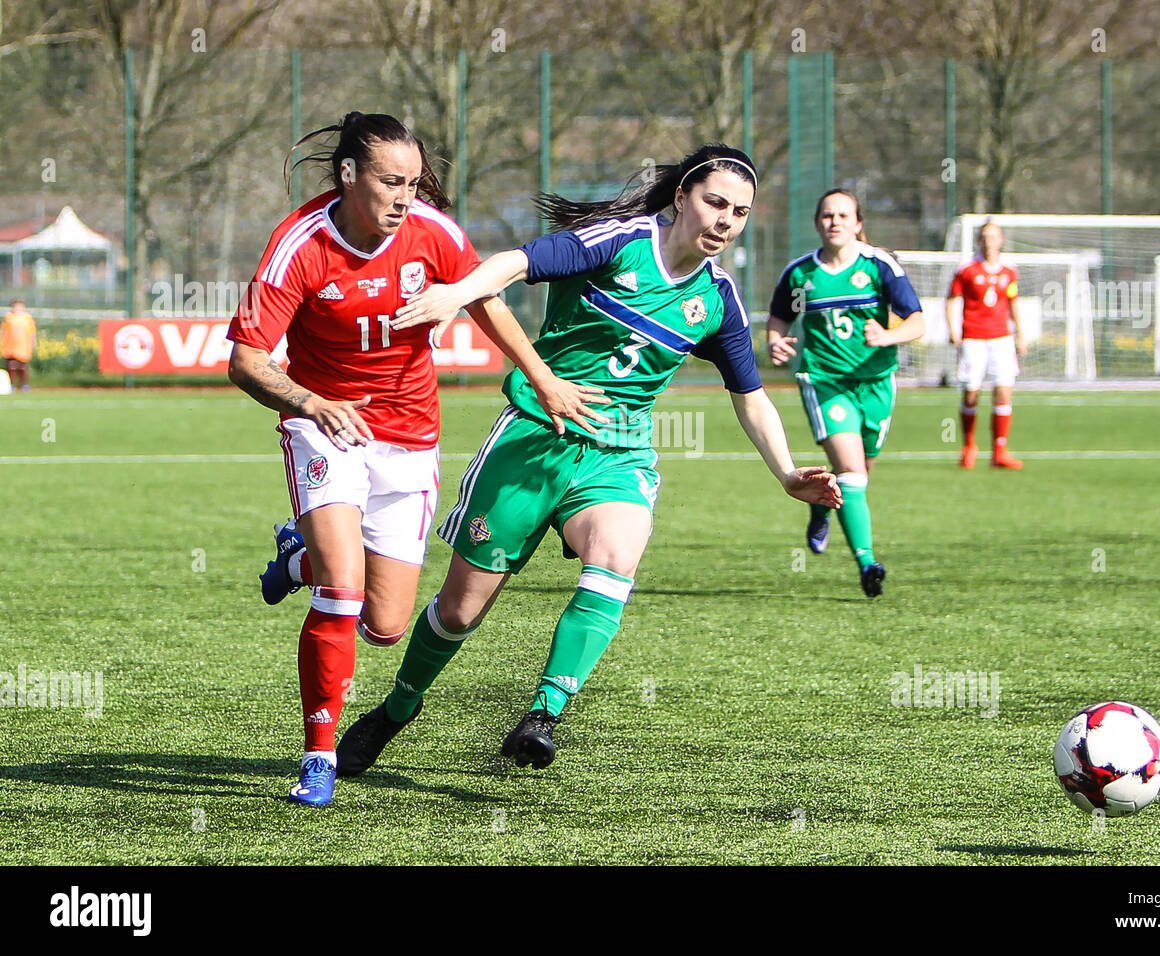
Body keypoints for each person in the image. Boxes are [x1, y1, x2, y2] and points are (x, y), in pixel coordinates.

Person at [336, 143, 842, 776]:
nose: (724, 221)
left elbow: (753, 398)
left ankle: (544, 714)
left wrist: (789, 473)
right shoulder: (619, 240)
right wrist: (454, 296)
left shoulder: (717, 301)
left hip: (618, 453)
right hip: (533, 437)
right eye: (714, 202)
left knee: (615, 558)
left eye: (739, 213)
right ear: (682, 197)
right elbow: (514, 263)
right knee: (460, 610)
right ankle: (399, 707)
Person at [225, 111, 603, 807]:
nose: (405, 196)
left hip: (408, 435)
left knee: (386, 624)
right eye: (390, 182)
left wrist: (542, 377)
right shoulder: (300, 243)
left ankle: (296, 554)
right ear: (348, 175)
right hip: (325, 429)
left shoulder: (433, 233)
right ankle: (317, 756)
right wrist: (308, 402)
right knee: (340, 592)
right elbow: (246, 361)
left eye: (414, 182)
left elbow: (484, 301)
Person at [766, 189, 925, 598]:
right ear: (818, 223)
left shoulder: (878, 266)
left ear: (857, 223)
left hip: (876, 384)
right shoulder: (800, 274)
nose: (834, 221)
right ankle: (868, 563)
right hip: (825, 383)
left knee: (858, 475)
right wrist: (776, 341)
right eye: (826, 215)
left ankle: (820, 504)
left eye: (843, 215)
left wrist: (888, 335)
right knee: (853, 474)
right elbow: (781, 317)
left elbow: (917, 322)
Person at [946, 219, 1027, 469]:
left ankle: (999, 451)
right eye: (985, 237)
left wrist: (1020, 334)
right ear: (979, 240)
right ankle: (969, 446)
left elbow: (1013, 302)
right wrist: (952, 330)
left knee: (1003, 391)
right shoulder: (967, 270)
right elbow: (951, 300)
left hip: (1002, 338)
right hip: (973, 338)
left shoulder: (1008, 271)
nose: (989, 241)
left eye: (993, 237)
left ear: (1001, 240)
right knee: (971, 393)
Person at [2, 299, 36, 392]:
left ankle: (24, 385)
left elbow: (32, 332)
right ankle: (11, 385)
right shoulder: (9, 317)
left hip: (23, 346)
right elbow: (4, 331)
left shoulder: (27, 318)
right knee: (11, 365)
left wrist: (33, 343)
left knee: (23, 366)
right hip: (11, 346)